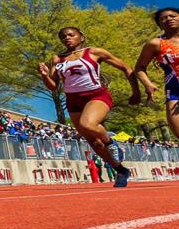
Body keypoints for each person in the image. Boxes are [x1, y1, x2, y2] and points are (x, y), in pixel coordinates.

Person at [37, 26, 133, 187]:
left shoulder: (94, 52)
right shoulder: (57, 59)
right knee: (94, 143)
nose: (67, 38)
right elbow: (53, 86)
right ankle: (121, 170)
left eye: (71, 35)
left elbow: (125, 67)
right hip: (73, 100)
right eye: (63, 37)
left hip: (96, 95)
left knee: (87, 124)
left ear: (81, 37)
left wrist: (136, 91)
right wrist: (45, 76)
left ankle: (111, 143)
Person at [131, 7, 179, 144]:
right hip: (178, 92)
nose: (168, 19)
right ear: (160, 25)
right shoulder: (155, 44)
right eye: (163, 19)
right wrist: (148, 84)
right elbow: (139, 67)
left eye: (172, 16)